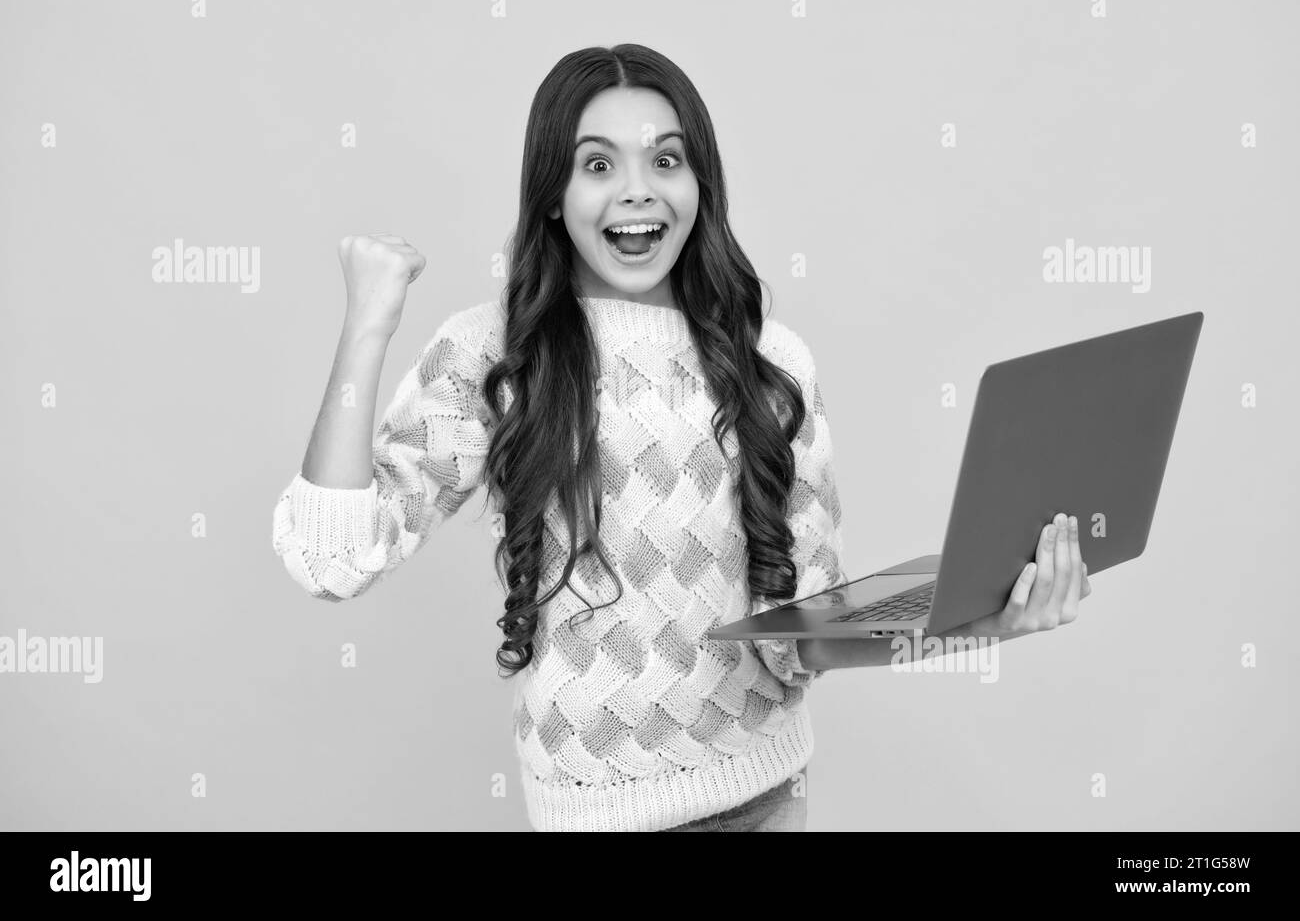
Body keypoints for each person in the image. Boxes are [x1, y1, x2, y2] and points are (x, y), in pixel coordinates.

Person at [271, 43, 1090, 832]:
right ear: (552, 194)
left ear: (700, 183)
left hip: (767, 798)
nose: (638, 191)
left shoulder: (773, 364)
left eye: (666, 159)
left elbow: (806, 632)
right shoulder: (497, 355)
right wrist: (368, 325)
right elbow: (332, 560)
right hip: (595, 822)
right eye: (598, 165)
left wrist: (989, 617)